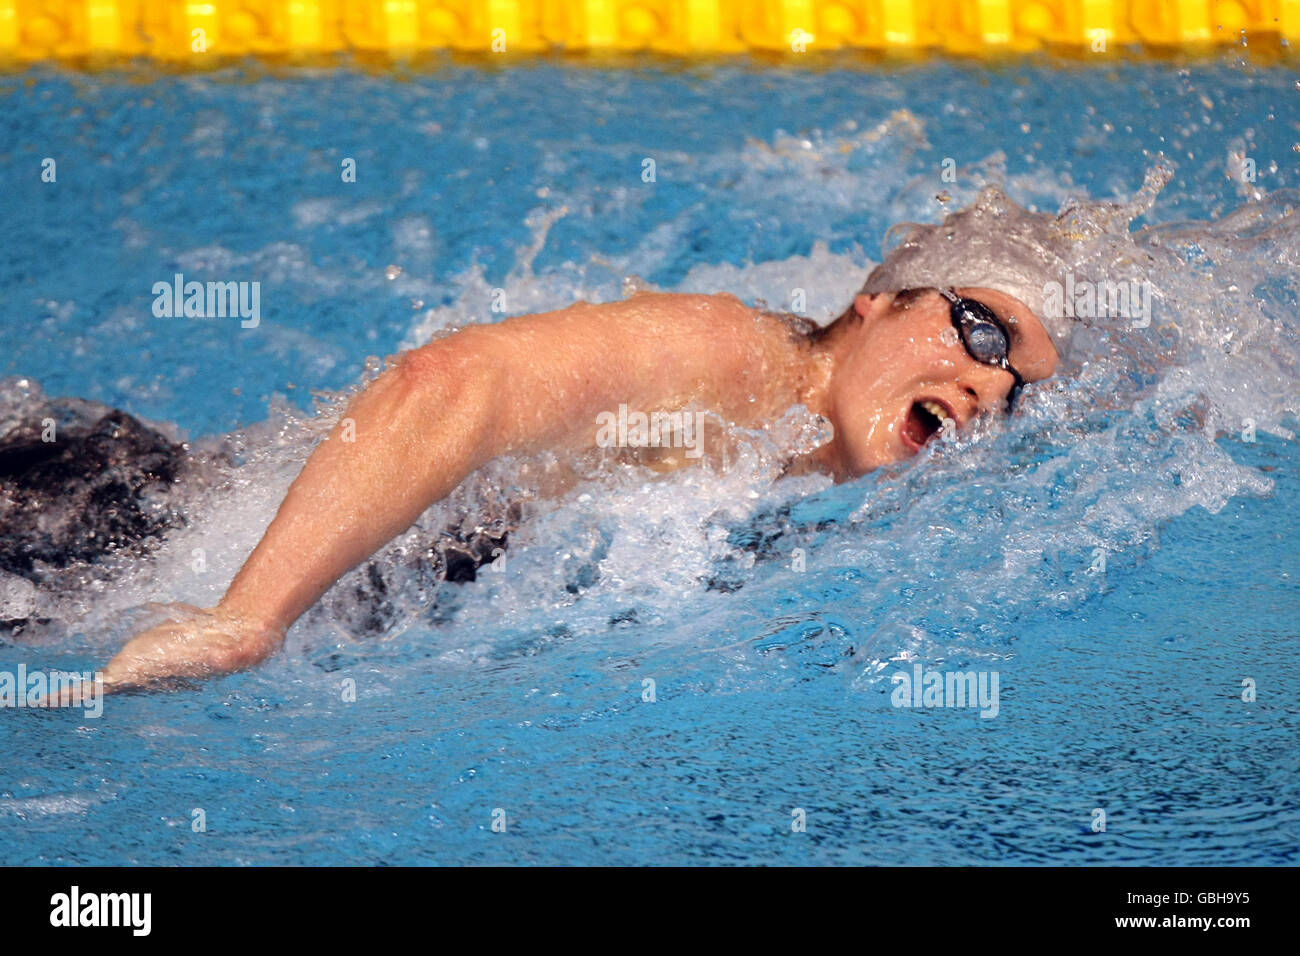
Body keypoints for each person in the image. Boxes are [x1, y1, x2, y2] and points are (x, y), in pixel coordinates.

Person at [58, 191, 1079, 699]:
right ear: (875, 301)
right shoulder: (732, 358)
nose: (989, 383)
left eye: (1016, 386)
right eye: (981, 329)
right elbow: (449, 380)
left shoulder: (802, 449)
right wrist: (245, 619)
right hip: (103, 530)